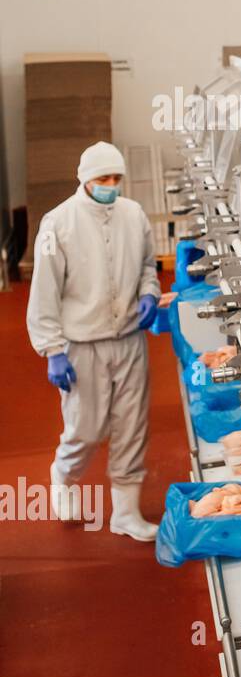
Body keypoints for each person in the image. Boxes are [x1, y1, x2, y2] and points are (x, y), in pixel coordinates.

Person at [27, 141, 161, 541]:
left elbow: (147, 266)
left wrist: (149, 293)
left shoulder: (133, 215)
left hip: (129, 339)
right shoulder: (58, 223)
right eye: (103, 178)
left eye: (116, 178)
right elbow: (44, 291)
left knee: (132, 426)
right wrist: (52, 350)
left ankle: (125, 513)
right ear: (85, 179)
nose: (111, 185)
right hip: (82, 344)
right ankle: (63, 478)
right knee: (85, 429)